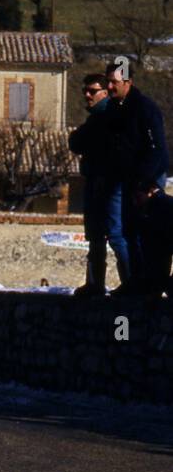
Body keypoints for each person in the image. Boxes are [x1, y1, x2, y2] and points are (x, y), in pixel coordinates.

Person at [105, 59, 169, 296]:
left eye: (114, 82)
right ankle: (136, 283)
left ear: (128, 83)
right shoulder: (115, 110)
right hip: (127, 180)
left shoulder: (145, 109)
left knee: (150, 236)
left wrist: (146, 185)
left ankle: (152, 286)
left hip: (146, 182)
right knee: (128, 233)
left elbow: (158, 151)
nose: (110, 87)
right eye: (108, 82)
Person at [68, 74, 126, 297]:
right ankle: (97, 283)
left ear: (104, 92)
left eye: (92, 91)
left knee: (113, 234)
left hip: (106, 183)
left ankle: (122, 282)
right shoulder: (99, 117)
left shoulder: (104, 115)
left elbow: (77, 141)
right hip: (98, 181)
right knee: (99, 235)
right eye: (86, 90)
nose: (87, 95)